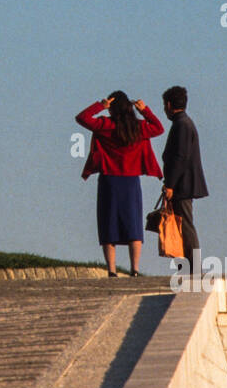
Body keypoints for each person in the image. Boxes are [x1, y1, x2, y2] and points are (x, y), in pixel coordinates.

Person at [77, 92, 165, 276]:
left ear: (113, 108)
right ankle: (135, 268)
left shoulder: (105, 125)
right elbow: (159, 128)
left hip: (109, 180)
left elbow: (82, 118)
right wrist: (145, 110)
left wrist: (101, 105)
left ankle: (111, 270)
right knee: (133, 224)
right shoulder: (139, 128)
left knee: (108, 223)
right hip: (131, 181)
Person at [161, 85, 208, 276]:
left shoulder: (181, 125)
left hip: (182, 184)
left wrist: (170, 184)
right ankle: (188, 267)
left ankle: (193, 269)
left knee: (185, 225)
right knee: (182, 224)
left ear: (170, 105)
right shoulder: (185, 123)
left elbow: (179, 157)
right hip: (184, 182)